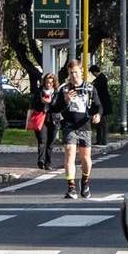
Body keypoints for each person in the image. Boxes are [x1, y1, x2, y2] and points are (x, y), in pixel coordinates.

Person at [56, 59, 103, 199]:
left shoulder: (89, 88)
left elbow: (98, 105)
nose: (73, 76)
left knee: (85, 158)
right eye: (71, 73)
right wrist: (65, 100)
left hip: (85, 125)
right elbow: (55, 107)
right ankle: (71, 187)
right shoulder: (64, 89)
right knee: (70, 153)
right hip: (69, 125)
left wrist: (98, 115)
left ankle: (85, 182)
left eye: (76, 72)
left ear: (81, 72)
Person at [32, 72, 60, 171]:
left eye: (51, 83)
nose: (48, 85)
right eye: (47, 83)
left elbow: (58, 105)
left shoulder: (56, 93)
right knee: (42, 140)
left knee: (50, 142)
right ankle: (41, 160)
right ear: (44, 82)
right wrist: (41, 102)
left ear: (54, 83)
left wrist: (51, 102)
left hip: (53, 119)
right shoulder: (39, 92)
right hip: (41, 118)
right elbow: (33, 104)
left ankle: (48, 162)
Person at [90, 63, 112, 145]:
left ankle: (103, 140)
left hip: (103, 104)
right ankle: (100, 140)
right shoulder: (100, 78)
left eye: (92, 73)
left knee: (103, 123)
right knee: (99, 123)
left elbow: (96, 90)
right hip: (101, 104)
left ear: (94, 72)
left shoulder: (101, 79)